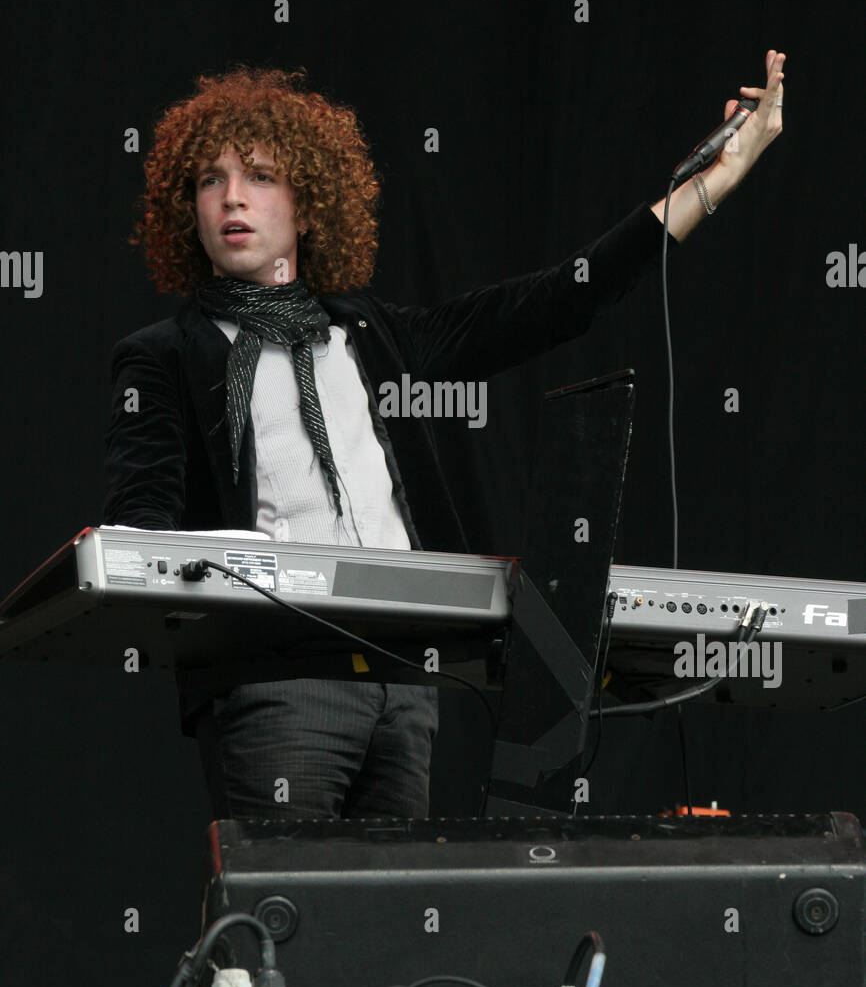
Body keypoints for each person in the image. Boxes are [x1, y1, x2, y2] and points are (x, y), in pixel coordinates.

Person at [103, 52, 786, 820]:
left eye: (260, 175)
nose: (232, 197)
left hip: (406, 688)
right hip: (275, 681)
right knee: (285, 926)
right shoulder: (165, 354)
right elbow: (143, 538)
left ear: (307, 201)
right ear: (185, 207)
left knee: (401, 932)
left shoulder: (373, 338)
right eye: (209, 180)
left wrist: (710, 184)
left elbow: (562, 298)